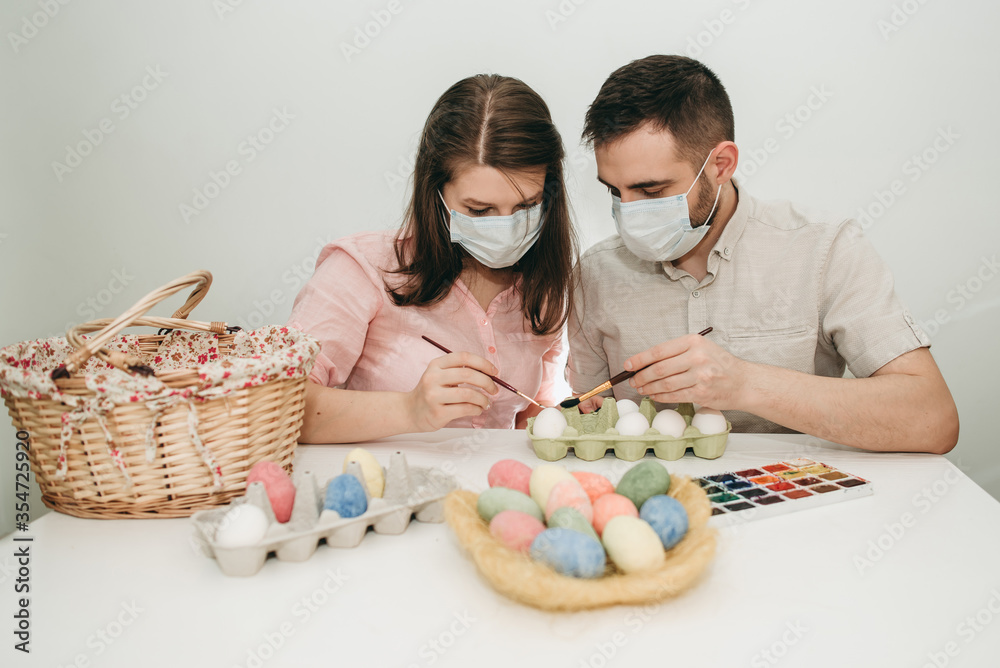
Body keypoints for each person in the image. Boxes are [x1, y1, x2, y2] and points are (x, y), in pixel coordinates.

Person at [568, 55, 959, 453]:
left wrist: (744, 384)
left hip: (796, 486)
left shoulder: (823, 249)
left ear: (721, 165)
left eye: (651, 191)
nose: (629, 213)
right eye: (614, 191)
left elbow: (933, 420)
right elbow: (588, 422)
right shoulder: (596, 274)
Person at [288, 74, 577, 444]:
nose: (506, 228)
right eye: (479, 210)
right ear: (435, 193)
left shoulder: (544, 290)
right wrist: (409, 410)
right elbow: (283, 407)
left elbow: (533, 413)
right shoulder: (362, 269)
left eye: (527, 206)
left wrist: (569, 417)